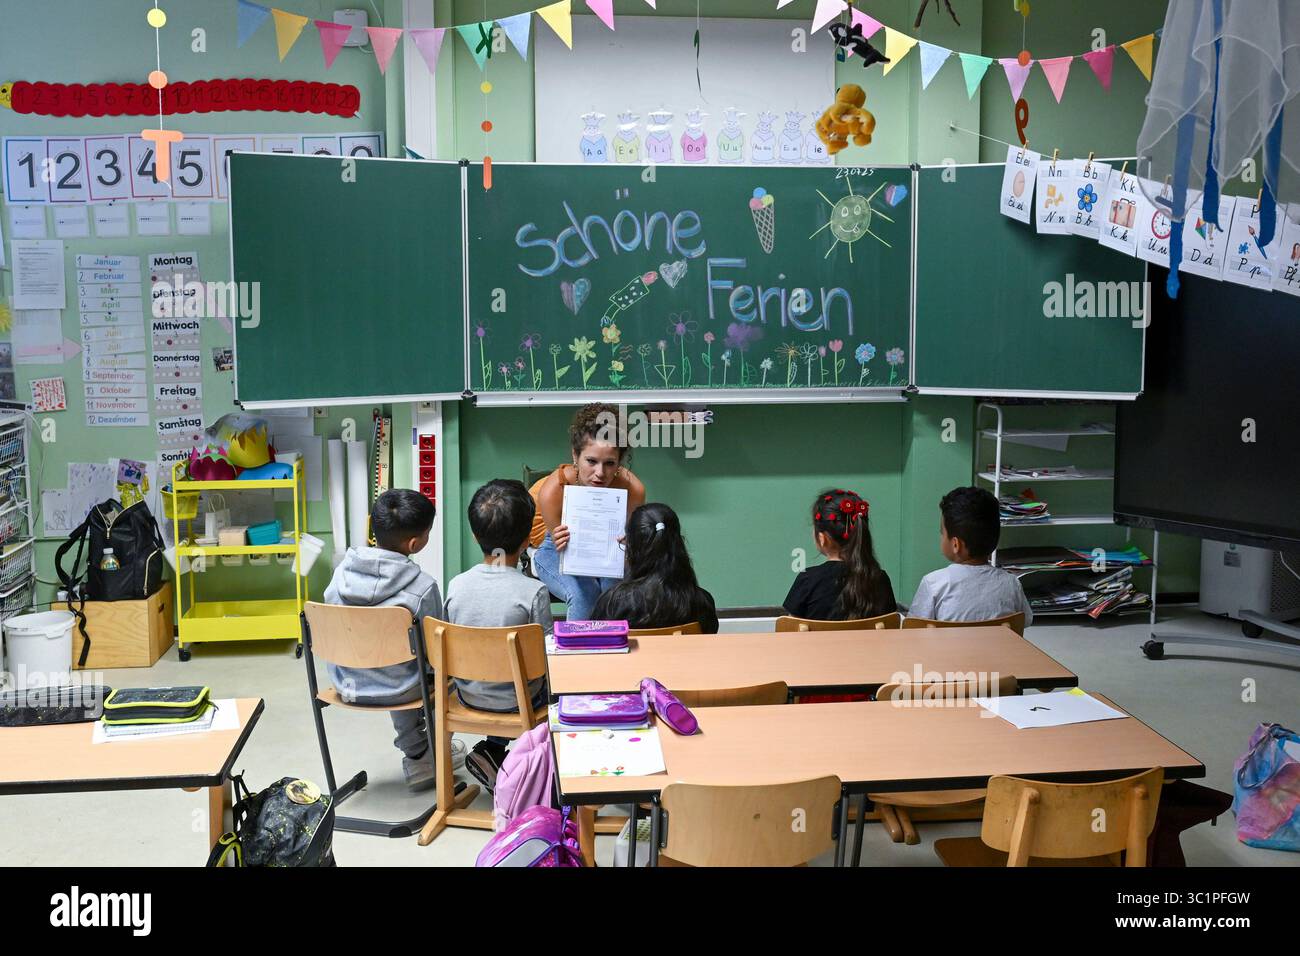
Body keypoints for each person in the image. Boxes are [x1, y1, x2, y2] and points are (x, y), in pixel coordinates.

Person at [322, 489, 442, 792]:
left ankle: (421, 751)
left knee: (395, 661)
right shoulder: (423, 587)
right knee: (433, 668)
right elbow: (435, 654)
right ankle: (422, 753)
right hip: (399, 690)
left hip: (346, 684)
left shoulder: (339, 576)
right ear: (415, 544)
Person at [528, 402, 645, 621]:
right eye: (591, 461)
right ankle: (577, 653)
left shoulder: (634, 490)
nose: (600, 473)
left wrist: (631, 542)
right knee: (585, 595)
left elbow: (629, 548)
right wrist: (559, 537)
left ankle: (616, 648)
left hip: (611, 549)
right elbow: (557, 543)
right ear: (575, 455)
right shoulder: (554, 489)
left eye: (610, 463)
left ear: (620, 462)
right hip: (559, 551)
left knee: (614, 593)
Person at [445, 479, 551, 713]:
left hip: (468, 696)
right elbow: (547, 656)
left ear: (474, 535)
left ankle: (493, 745)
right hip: (522, 702)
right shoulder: (534, 592)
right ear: (526, 542)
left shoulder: (455, 586)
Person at [908, 486, 1033, 625]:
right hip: (997, 647)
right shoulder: (1011, 583)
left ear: (956, 544)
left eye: (942, 533)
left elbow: (914, 627)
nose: (941, 536)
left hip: (949, 647)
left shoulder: (933, 584)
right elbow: (1025, 621)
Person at [592, 503, 719, 633]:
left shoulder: (613, 602)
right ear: (679, 544)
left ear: (632, 548)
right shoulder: (703, 602)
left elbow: (596, 644)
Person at [784, 488, 897, 620]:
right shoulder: (880, 580)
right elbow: (889, 631)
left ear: (822, 538)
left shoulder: (807, 580)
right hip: (866, 642)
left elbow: (789, 632)